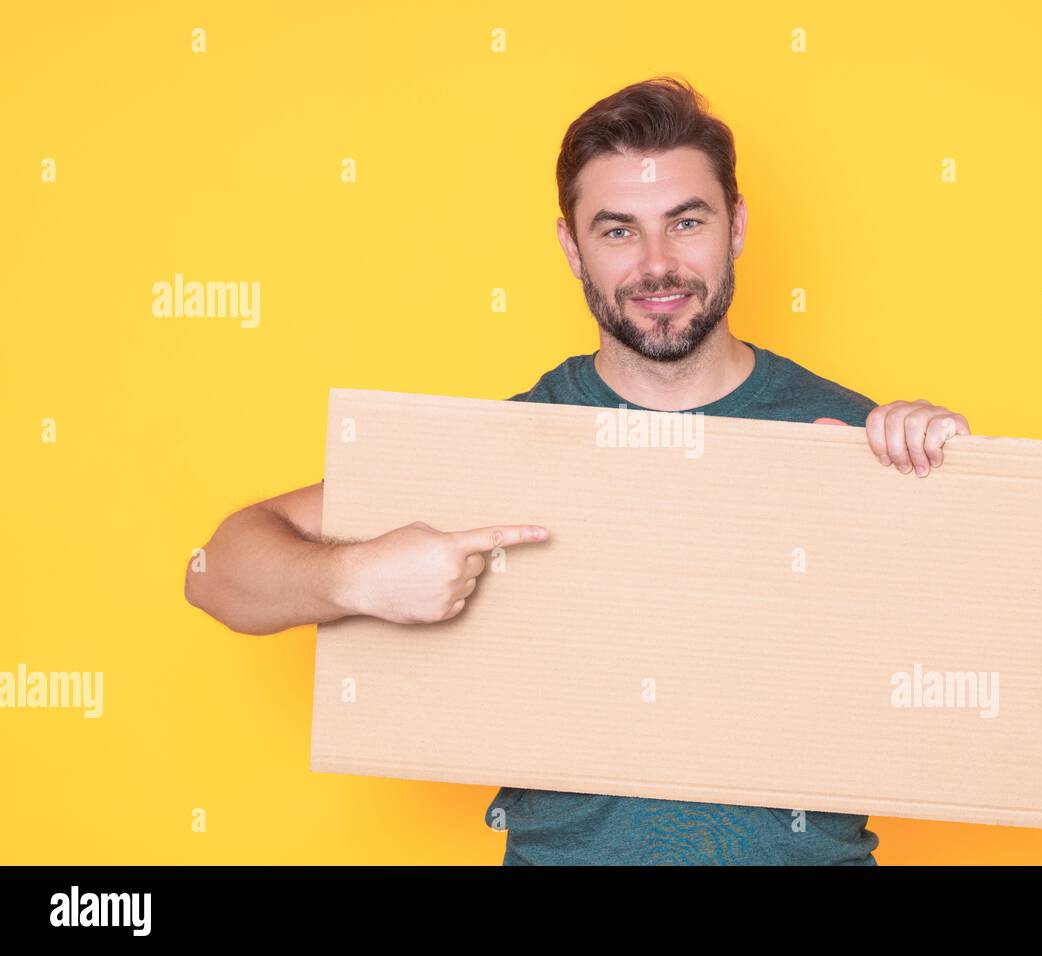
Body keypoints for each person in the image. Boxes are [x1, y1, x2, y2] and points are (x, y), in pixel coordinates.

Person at [185, 75, 972, 865]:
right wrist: (356, 578)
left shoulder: (847, 439)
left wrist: (957, 485)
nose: (658, 265)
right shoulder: (505, 446)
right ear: (571, 247)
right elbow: (213, 570)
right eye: (619, 231)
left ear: (736, 227)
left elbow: (980, 666)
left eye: (686, 222)